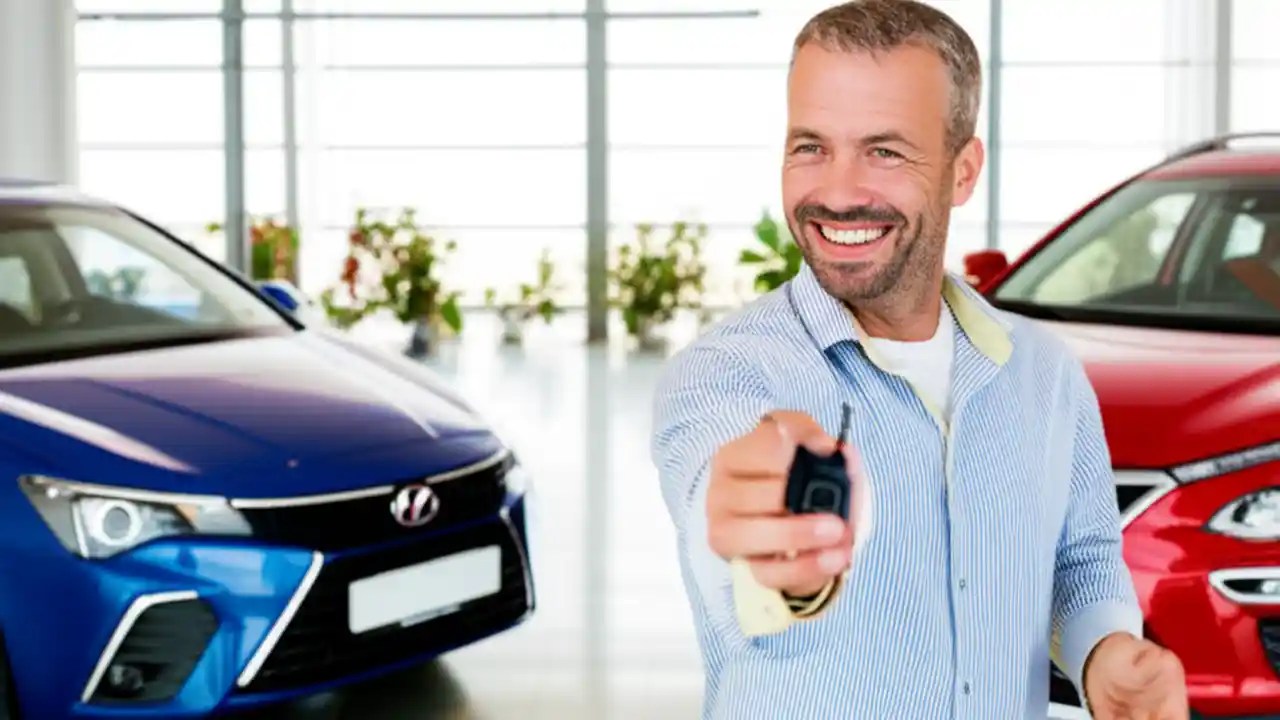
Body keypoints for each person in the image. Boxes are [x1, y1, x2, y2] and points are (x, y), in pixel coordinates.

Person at [649, 1, 1190, 718]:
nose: (837, 193)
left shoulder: (1045, 374)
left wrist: (1104, 652)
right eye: (810, 146)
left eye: (885, 151)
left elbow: (1080, 560)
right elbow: (727, 538)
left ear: (962, 171)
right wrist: (762, 530)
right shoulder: (726, 376)